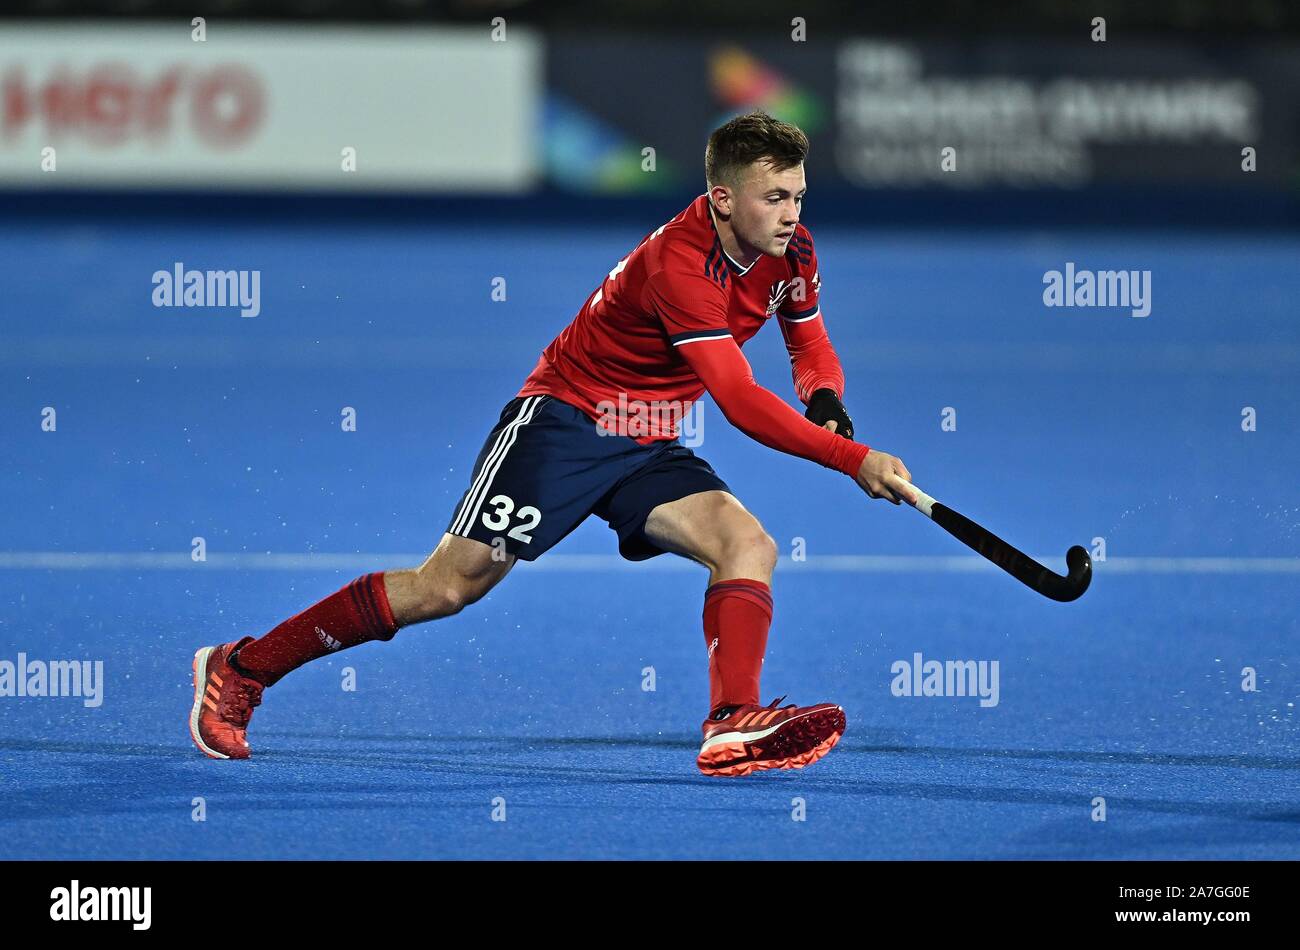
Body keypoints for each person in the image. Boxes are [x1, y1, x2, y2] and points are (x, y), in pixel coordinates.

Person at [189, 109, 915, 776]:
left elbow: (808, 339)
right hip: (564, 423)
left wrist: (825, 401)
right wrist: (853, 461)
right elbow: (738, 401)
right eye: (773, 198)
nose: (791, 215)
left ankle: (730, 720)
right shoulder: (678, 265)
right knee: (447, 587)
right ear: (723, 200)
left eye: (797, 196)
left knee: (747, 545)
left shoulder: (793, 250)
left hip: (647, 434)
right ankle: (244, 668)